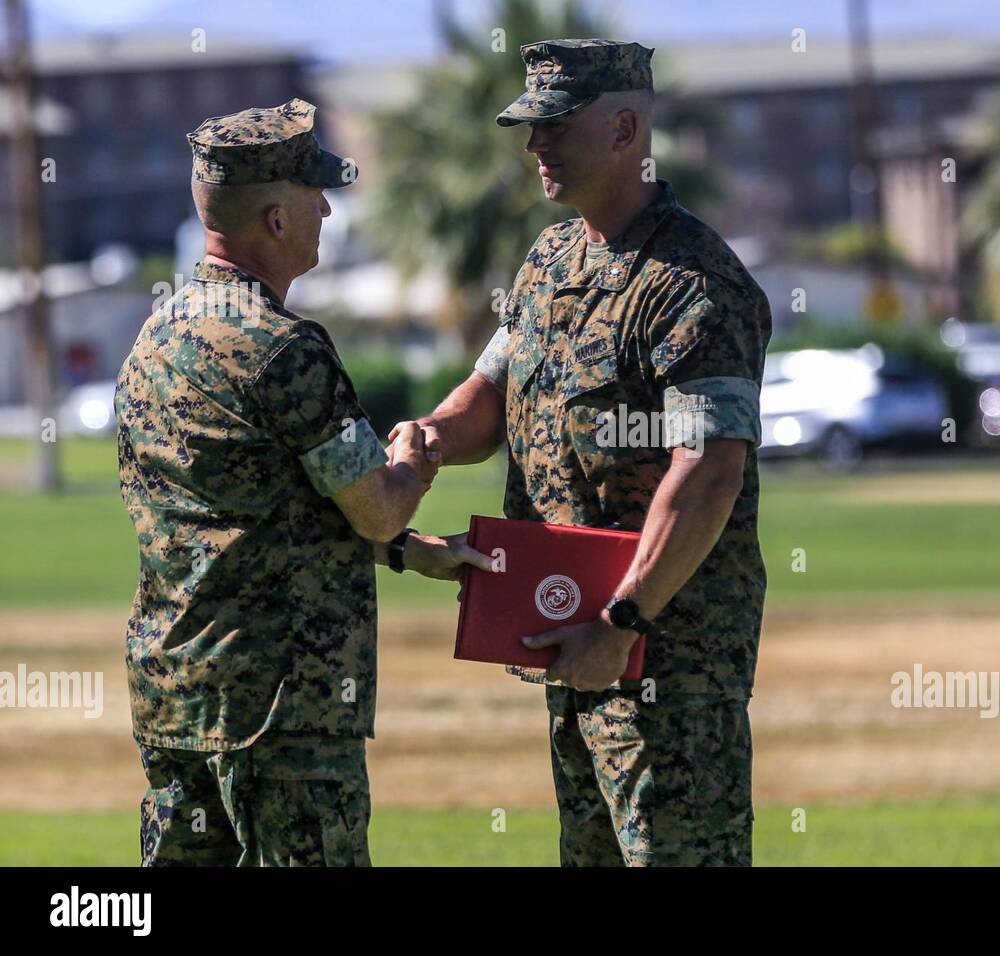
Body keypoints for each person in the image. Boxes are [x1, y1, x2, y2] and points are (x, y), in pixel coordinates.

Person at [402, 40, 772, 866]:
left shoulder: (693, 284)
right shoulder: (549, 261)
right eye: (531, 128)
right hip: (565, 638)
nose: (537, 145)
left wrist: (622, 620)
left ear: (626, 128)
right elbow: (489, 394)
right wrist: (429, 436)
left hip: (664, 664)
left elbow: (709, 471)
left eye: (556, 125)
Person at [116, 98, 492, 866]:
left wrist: (410, 552)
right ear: (277, 220)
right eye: (314, 195)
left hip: (176, 693)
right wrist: (416, 455)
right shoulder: (284, 348)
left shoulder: (156, 337)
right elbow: (378, 508)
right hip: (282, 711)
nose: (327, 208)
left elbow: (245, 511)